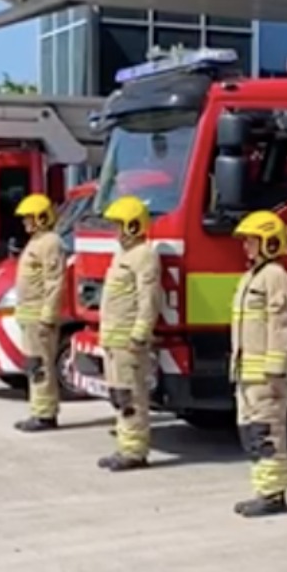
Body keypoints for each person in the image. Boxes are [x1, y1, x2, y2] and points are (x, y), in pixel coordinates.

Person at [227, 210, 287, 517]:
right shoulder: (251, 276)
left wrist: (275, 368)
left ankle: (272, 495)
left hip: (265, 376)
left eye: (252, 241)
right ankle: (263, 489)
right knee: (251, 432)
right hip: (247, 374)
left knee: (266, 432)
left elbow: (281, 325)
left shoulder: (276, 278)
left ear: (269, 242)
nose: (246, 246)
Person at [95, 195, 163, 471]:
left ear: (134, 226)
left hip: (128, 339)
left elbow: (149, 299)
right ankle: (125, 446)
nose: (116, 231)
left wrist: (140, 334)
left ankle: (135, 451)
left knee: (131, 396)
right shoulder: (122, 254)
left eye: (120, 225)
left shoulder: (144, 255)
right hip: (113, 337)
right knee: (119, 395)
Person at [13, 193, 66, 432]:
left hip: (38, 316)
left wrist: (48, 315)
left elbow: (54, 281)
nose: (25, 222)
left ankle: (45, 414)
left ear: (42, 217)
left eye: (29, 217)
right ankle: (38, 409)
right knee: (34, 364)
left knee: (41, 364)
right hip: (28, 314)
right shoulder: (36, 242)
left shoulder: (50, 243)